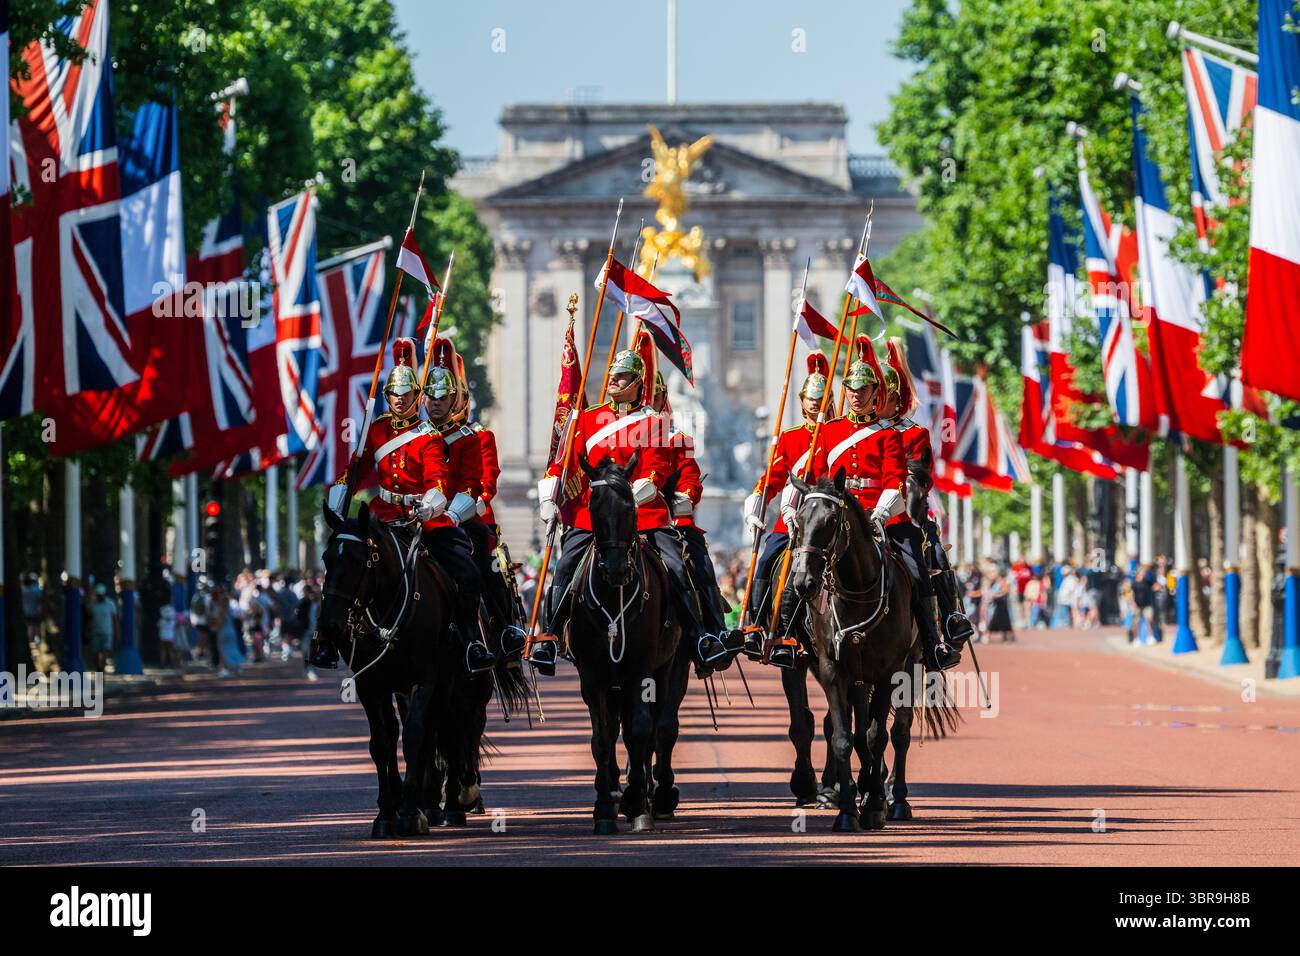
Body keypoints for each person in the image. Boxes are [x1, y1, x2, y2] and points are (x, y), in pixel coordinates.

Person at [531, 333, 728, 674]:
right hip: (593, 517)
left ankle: (699, 638)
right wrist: (550, 494)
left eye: (621, 377)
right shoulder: (587, 418)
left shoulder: (654, 422)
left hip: (645, 516)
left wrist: (638, 493)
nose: (612, 380)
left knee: (678, 568)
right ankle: (549, 637)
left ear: (638, 383)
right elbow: (565, 461)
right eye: (611, 374)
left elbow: (657, 466)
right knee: (565, 568)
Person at [312, 337, 493, 674]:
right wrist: (341, 492)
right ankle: (326, 638)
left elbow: (437, 477)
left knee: (466, 571)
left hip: (422, 519)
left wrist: (433, 502)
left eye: (406, 394)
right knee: (341, 560)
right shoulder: (376, 429)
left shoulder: (429, 435)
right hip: (381, 515)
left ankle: (470, 640)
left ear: (415, 397)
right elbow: (359, 467)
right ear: (388, 397)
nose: (399, 400)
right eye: (393, 395)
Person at [796, 336, 961, 671]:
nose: (856, 397)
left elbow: (898, 480)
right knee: (801, 564)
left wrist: (880, 514)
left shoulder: (892, 436)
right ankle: (787, 633)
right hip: (835, 516)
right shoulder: (830, 432)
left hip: (886, 516)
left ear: (877, 395)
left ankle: (933, 642)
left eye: (863, 390)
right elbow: (816, 476)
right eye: (851, 390)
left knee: (918, 567)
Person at [423, 337, 525, 662]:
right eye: (431, 396)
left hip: (468, 519)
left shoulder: (478, 436)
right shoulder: (416, 437)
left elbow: (484, 483)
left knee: (490, 566)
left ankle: (506, 628)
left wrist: (455, 512)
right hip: (422, 519)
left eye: (448, 397)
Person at [879, 336, 975, 649]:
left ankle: (945, 626)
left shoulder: (915, 433)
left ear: (899, 399)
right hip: (862, 513)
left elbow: (919, 477)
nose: (881, 403)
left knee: (932, 558)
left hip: (907, 514)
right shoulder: (859, 433)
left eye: (887, 397)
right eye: (877, 396)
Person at [740, 353, 833, 661]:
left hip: (828, 516)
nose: (816, 404)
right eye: (810, 399)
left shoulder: (840, 434)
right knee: (767, 559)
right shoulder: (791, 438)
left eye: (822, 398)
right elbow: (774, 477)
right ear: (802, 400)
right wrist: (757, 503)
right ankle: (761, 628)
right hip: (792, 518)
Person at [651, 371, 741, 668]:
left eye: (653, 396)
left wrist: (685, 496)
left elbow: (690, 476)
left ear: (664, 399)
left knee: (695, 563)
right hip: (623, 520)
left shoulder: (678, 439)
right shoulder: (616, 435)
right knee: (575, 557)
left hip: (667, 522)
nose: (648, 402)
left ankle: (710, 633)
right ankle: (556, 630)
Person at [87, 583, 118, 671]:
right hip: (95, 632)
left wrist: (117, 632)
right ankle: (98, 668)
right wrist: (88, 630)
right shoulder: (92, 605)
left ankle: (102, 669)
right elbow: (89, 619)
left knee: (105, 650)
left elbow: (115, 619)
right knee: (95, 653)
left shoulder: (111, 604)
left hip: (107, 632)